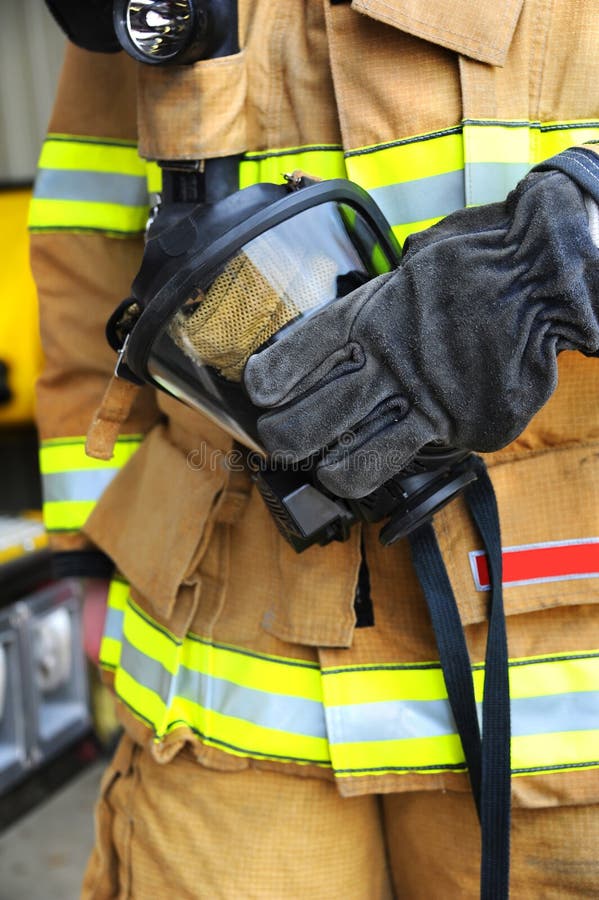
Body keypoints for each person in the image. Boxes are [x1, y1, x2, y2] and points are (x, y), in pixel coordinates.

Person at [30, 1, 599, 897]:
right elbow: (84, 268)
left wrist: (563, 248)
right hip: (222, 692)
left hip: (554, 705)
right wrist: (91, 556)